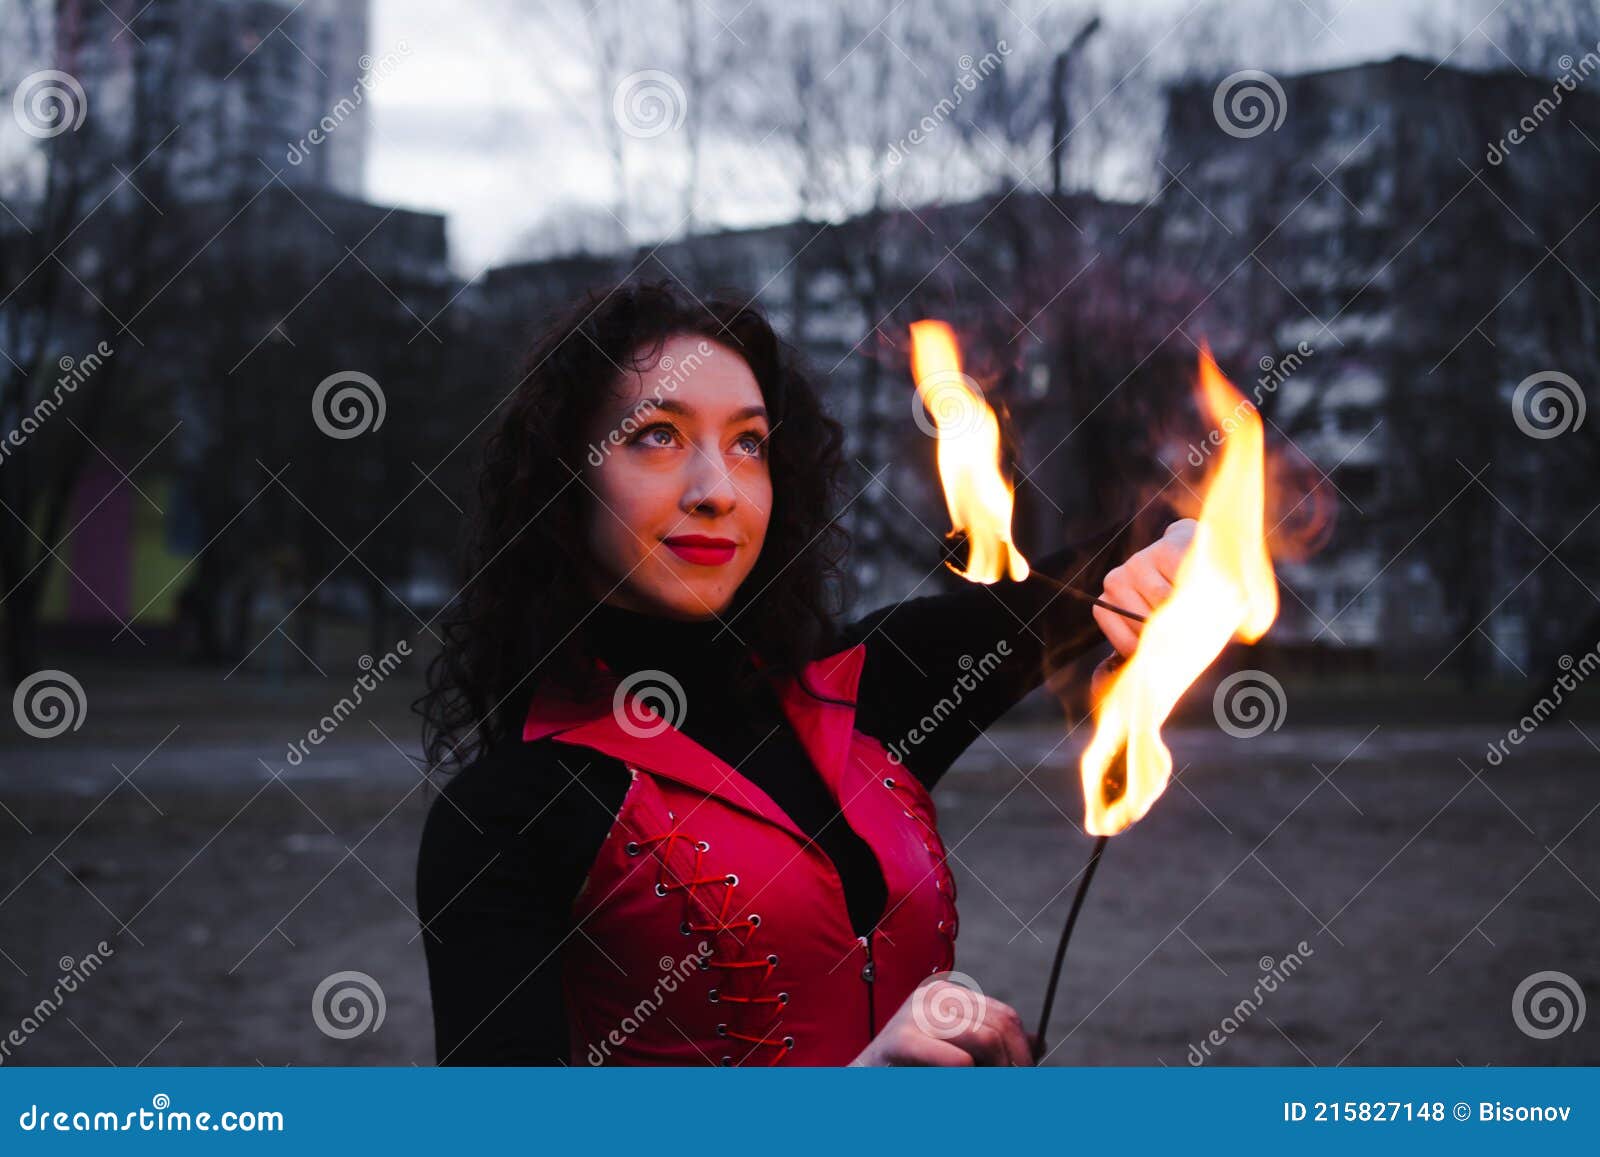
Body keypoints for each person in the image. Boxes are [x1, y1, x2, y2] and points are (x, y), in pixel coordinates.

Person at [413, 280, 1191, 1066]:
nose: (718, 491)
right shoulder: (507, 812)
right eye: (658, 435)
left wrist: (1180, 547)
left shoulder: (863, 693)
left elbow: (1090, 581)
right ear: (565, 478)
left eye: (748, 443)